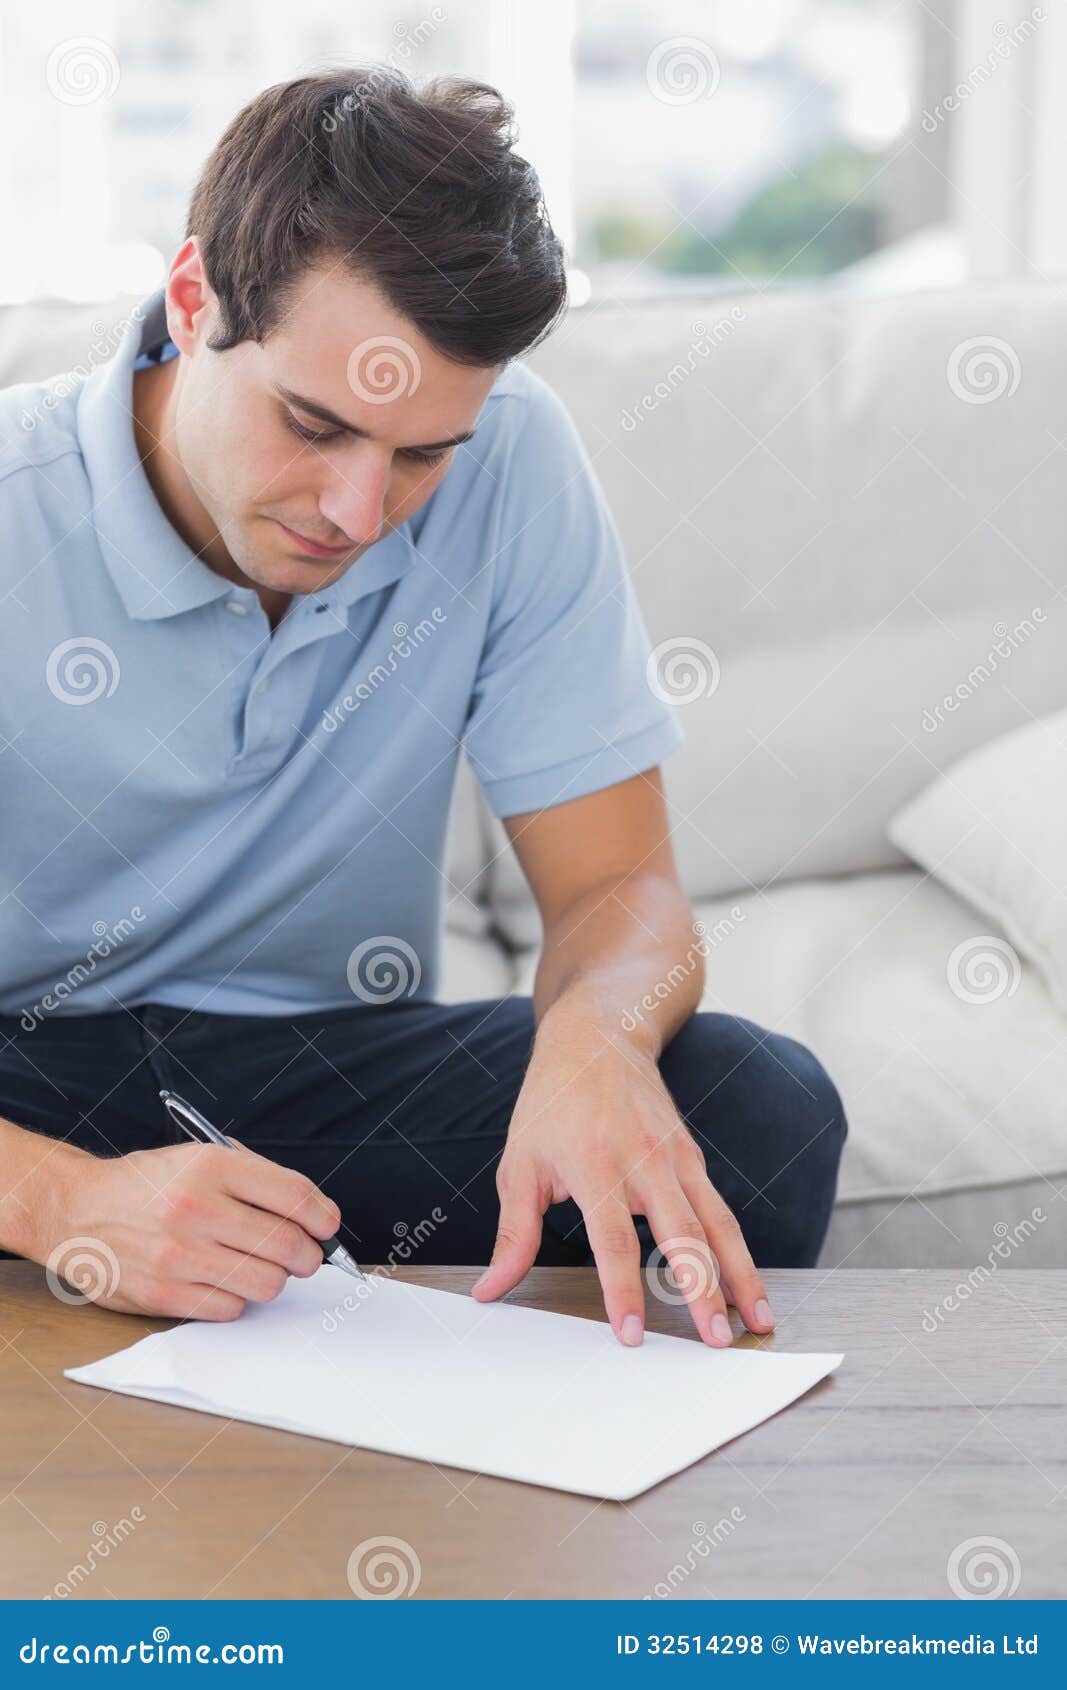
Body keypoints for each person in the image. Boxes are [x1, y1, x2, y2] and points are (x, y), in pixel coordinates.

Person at [0, 68, 845, 1346]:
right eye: (311, 424)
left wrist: (596, 1039)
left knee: (755, 1114)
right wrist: (61, 1199)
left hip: (319, 1074)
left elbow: (619, 891)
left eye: (417, 456)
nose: (354, 510)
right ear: (193, 303)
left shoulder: (513, 454)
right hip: (23, 1073)